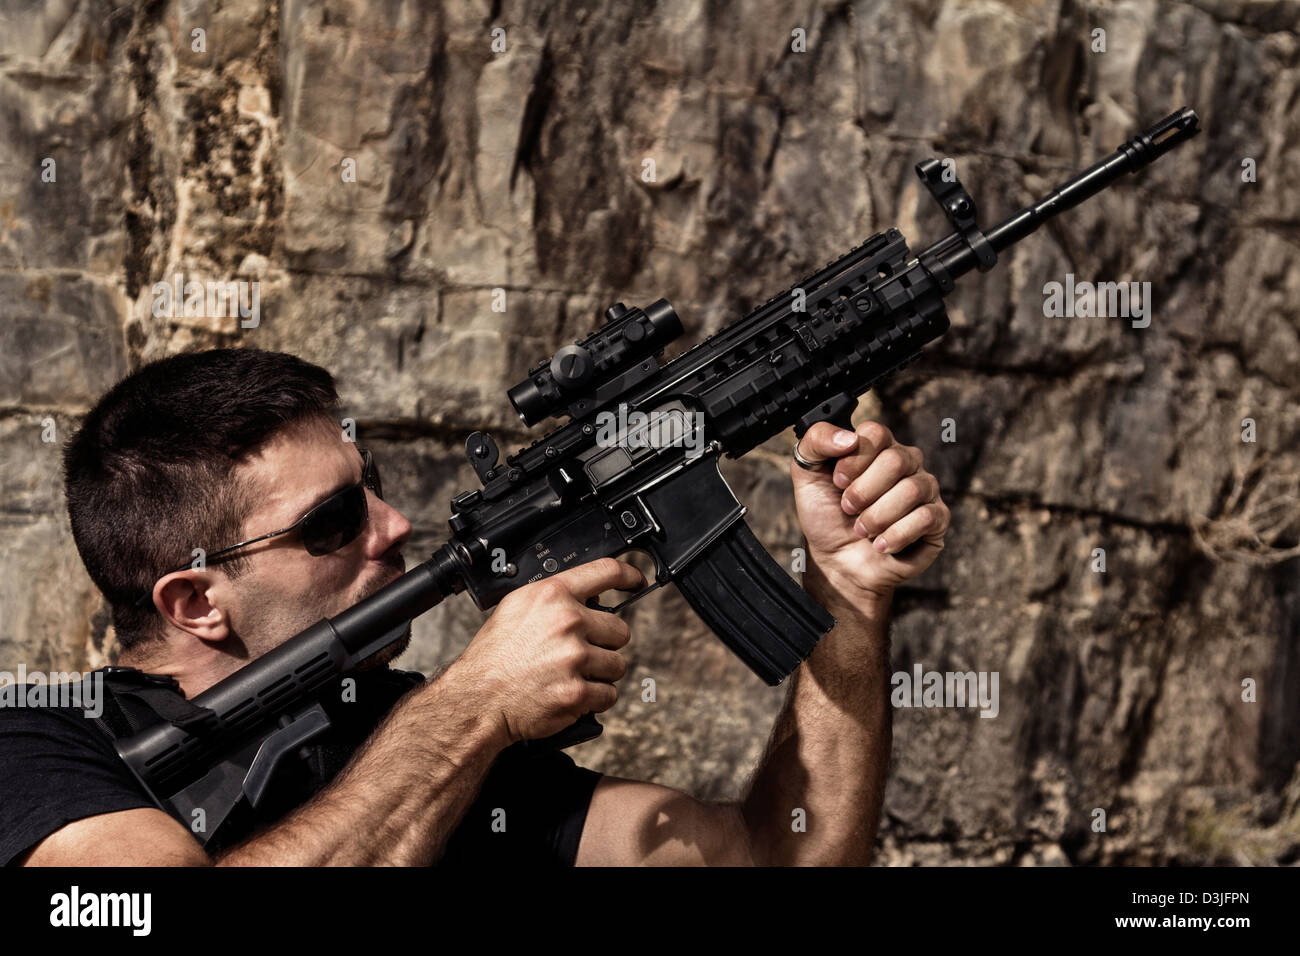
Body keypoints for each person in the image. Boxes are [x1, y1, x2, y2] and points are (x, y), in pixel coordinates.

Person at [0, 347, 949, 866]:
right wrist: (469, 710)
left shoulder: (430, 755)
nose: (393, 522)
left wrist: (851, 594)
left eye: (368, 483)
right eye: (332, 521)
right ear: (197, 600)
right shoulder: (40, 750)